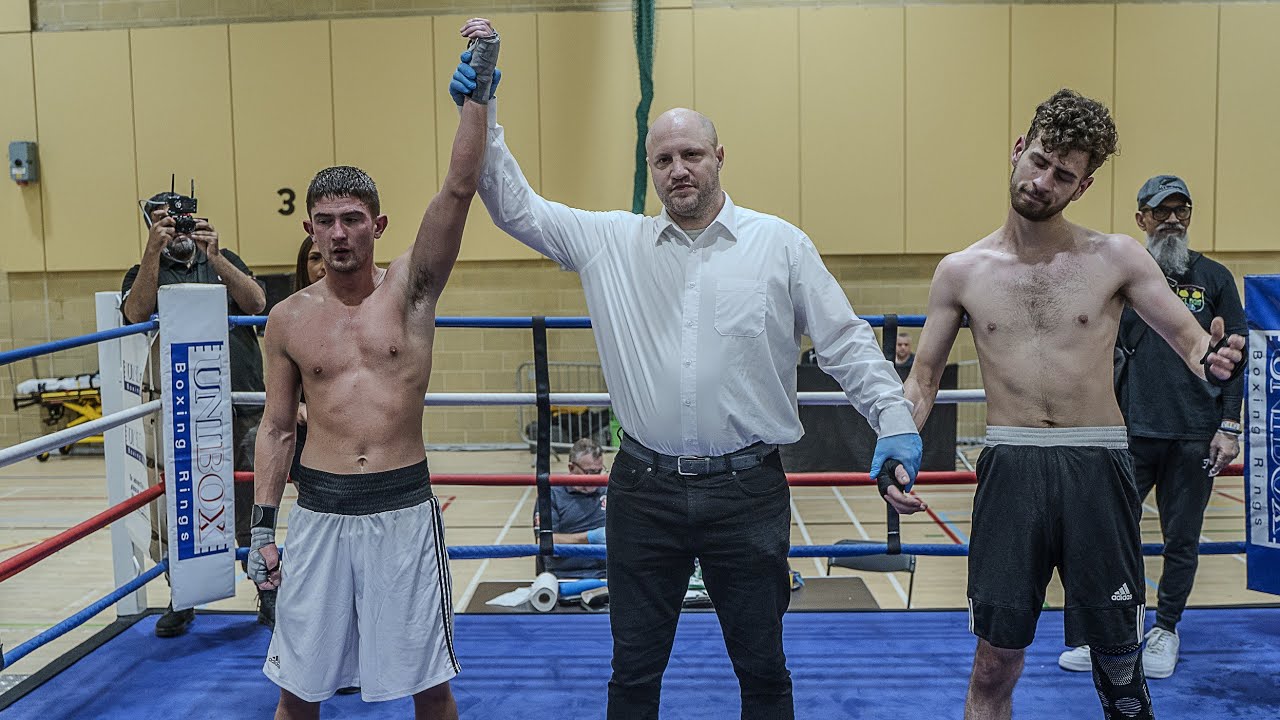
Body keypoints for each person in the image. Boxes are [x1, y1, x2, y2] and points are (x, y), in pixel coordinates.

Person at [459, 54, 924, 720]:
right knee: (633, 671)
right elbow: (513, 207)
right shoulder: (609, 243)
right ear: (651, 169)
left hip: (748, 491)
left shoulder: (780, 245)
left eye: (691, 154)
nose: (677, 169)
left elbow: (846, 342)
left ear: (719, 157)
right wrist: (484, 108)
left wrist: (896, 419)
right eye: (663, 159)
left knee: (763, 667)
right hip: (644, 491)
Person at [902, 89, 1244, 720]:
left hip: (1098, 464)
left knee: (1119, 665)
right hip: (1012, 466)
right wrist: (900, 448)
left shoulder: (1115, 256)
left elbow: (1192, 339)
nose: (1042, 181)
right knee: (994, 664)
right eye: (1037, 160)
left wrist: (1215, 359)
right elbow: (923, 379)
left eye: (1064, 174)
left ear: (1082, 187)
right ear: (1017, 150)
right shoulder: (961, 271)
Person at [247, 18, 499, 718]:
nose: (337, 233)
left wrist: (477, 88)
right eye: (324, 220)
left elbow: (456, 189)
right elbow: (275, 427)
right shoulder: (289, 318)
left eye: (352, 218)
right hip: (321, 512)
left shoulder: (412, 293)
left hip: (403, 510)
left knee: (429, 685)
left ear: (378, 226)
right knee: (298, 686)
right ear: (308, 230)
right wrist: (263, 530)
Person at [1057, 175, 1245, 679]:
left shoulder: (1216, 278)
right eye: (1161, 211)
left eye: (1181, 210)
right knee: (1110, 535)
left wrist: (1230, 425)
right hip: (1128, 431)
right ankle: (1114, 630)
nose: (1172, 219)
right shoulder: (1121, 278)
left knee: (1182, 539)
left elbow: (1236, 357)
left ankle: (1165, 628)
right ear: (1140, 218)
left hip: (1194, 432)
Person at [121, 191, 271, 636]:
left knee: (250, 500)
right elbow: (134, 313)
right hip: (182, 409)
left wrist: (217, 257)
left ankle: (266, 590)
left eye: (183, 222)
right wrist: (152, 251)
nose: (177, 231)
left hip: (241, 400)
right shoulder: (143, 269)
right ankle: (182, 597)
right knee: (182, 506)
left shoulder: (223, 259)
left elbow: (257, 304)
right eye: (165, 223)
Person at [534, 437, 608, 579]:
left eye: (598, 472)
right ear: (571, 468)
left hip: (606, 576)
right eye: (589, 472)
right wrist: (589, 537)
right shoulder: (552, 495)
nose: (594, 479)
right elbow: (544, 543)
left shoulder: (607, 490)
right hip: (564, 577)